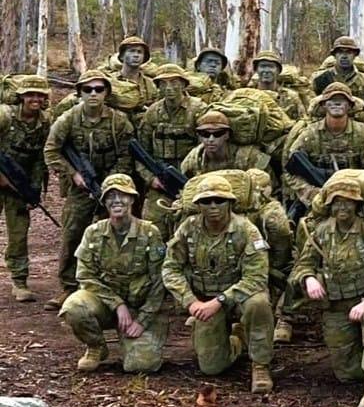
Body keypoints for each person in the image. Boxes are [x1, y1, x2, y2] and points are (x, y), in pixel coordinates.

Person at [291, 172, 364, 407]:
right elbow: (302, 264)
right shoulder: (321, 231)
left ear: (357, 205)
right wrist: (309, 279)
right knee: (346, 374)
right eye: (337, 202)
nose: (342, 207)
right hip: (336, 306)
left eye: (347, 202)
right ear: (330, 206)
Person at [162, 174, 275, 394]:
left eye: (219, 200)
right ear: (198, 205)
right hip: (204, 300)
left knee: (259, 303)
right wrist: (191, 302)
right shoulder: (188, 229)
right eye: (206, 201)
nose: (213, 206)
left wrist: (220, 301)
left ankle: (260, 364)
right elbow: (170, 268)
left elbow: (256, 278)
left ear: (230, 203)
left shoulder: (246, 230)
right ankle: (237, 340)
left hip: (240, 296)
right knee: (211, 368)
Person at [44, 70, 135, 310]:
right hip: (81, 187)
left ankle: (111, 286)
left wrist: (112, 182)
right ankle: (68, 287)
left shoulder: (119, 121)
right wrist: (72, 174)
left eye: (99, 89)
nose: (93, 94)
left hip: (111, 186)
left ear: (107, 93)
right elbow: (51, 151)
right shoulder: (69, 119)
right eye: (87, 90)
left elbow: (127, 155)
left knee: (116, 235)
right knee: (73, 232)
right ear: (80, 93)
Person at [59, 174, 167, 373]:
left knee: (141, 366)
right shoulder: (94, 232)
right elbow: (85, 276)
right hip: (107, 305)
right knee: (74, 307)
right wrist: (117, 304)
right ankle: (96, 347)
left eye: (123, 195)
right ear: (104, 202)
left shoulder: (150, 233)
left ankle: (135, 341)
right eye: (111, 196)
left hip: (140, 307)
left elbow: (159, 281)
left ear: (133, 199)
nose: (117, 200)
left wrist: (143, 320)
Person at [283, 83, 364, 209]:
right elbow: (290, 171)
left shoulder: (362, 134)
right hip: (317, 196)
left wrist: (355, 193)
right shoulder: (310, 134)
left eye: (342, 100)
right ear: (324, 105)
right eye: (332, 100)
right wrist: (310, 193)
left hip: (354, 197)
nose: (336, 104)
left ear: (350, 106)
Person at [136, 64, 206, 237]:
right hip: (159, 183)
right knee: (152, 231)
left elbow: (206, 150)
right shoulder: (152, 113)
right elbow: (141, 154)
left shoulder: (198, 110)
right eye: (163, 84)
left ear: (183, 84)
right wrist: (151, 179)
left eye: (174, 82)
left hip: (190, 182)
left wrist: (196, 182)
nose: (169, 88)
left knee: (190, 231)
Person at [0, 76, 52, 302]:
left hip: (17, 184)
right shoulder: (4, 116)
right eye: (30, 94)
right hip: (3, 176)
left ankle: (19, 281)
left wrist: (34, 189)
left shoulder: (45, 122)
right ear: (21, 96)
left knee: (19, 234)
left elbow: (41, 158)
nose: (35, 99)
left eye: (40, 95)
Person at [180, 111, 272, 177]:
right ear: (199, 137)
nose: (211, 139)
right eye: (205, 134)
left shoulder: (253, 156)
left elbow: (271, 187)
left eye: (217, 134)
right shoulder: (193, 159)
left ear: (227, 135)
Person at [312, 36, 364, 108]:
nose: (344, 56)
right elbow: (312, 107)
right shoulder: (320, 79)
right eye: (340, 52)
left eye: (349, 52)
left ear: (355, 55)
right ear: (334, 55)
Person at [248, 51, 304, 120]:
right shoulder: (247, 95)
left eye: (271, 67)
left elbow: (302, 123)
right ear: (256, 70)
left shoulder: (291, 97)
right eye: (263, 66)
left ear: (278, 70)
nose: (266, 70)